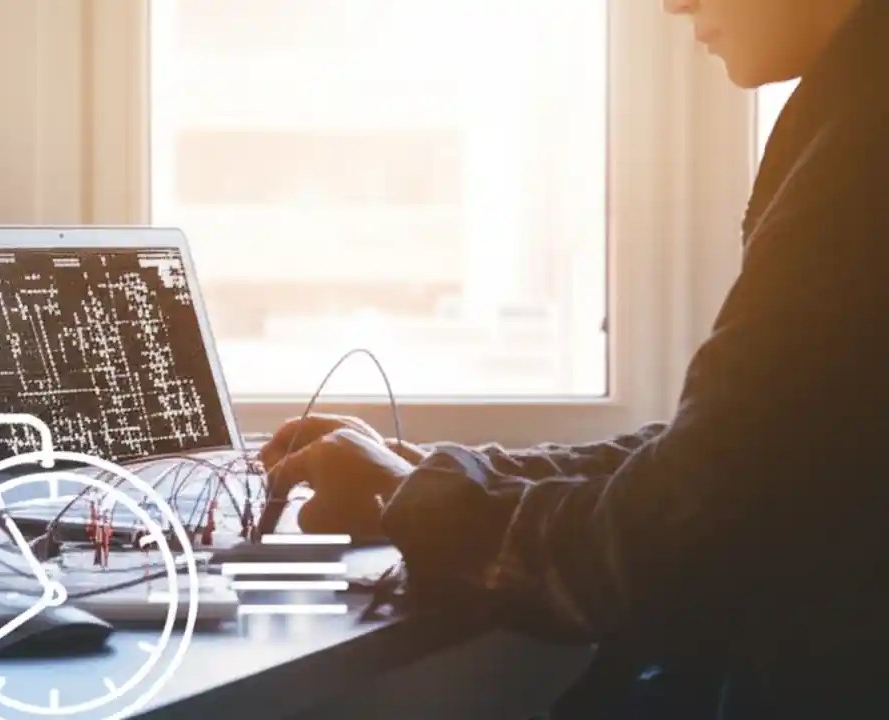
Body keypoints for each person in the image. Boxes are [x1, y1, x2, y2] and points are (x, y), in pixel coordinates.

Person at [260, 0, 889, 717]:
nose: (673, 3)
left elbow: (669, 537)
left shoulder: (863, 153)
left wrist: (412, 498)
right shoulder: (852, 104)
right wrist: (437, 471)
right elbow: (728, 461)